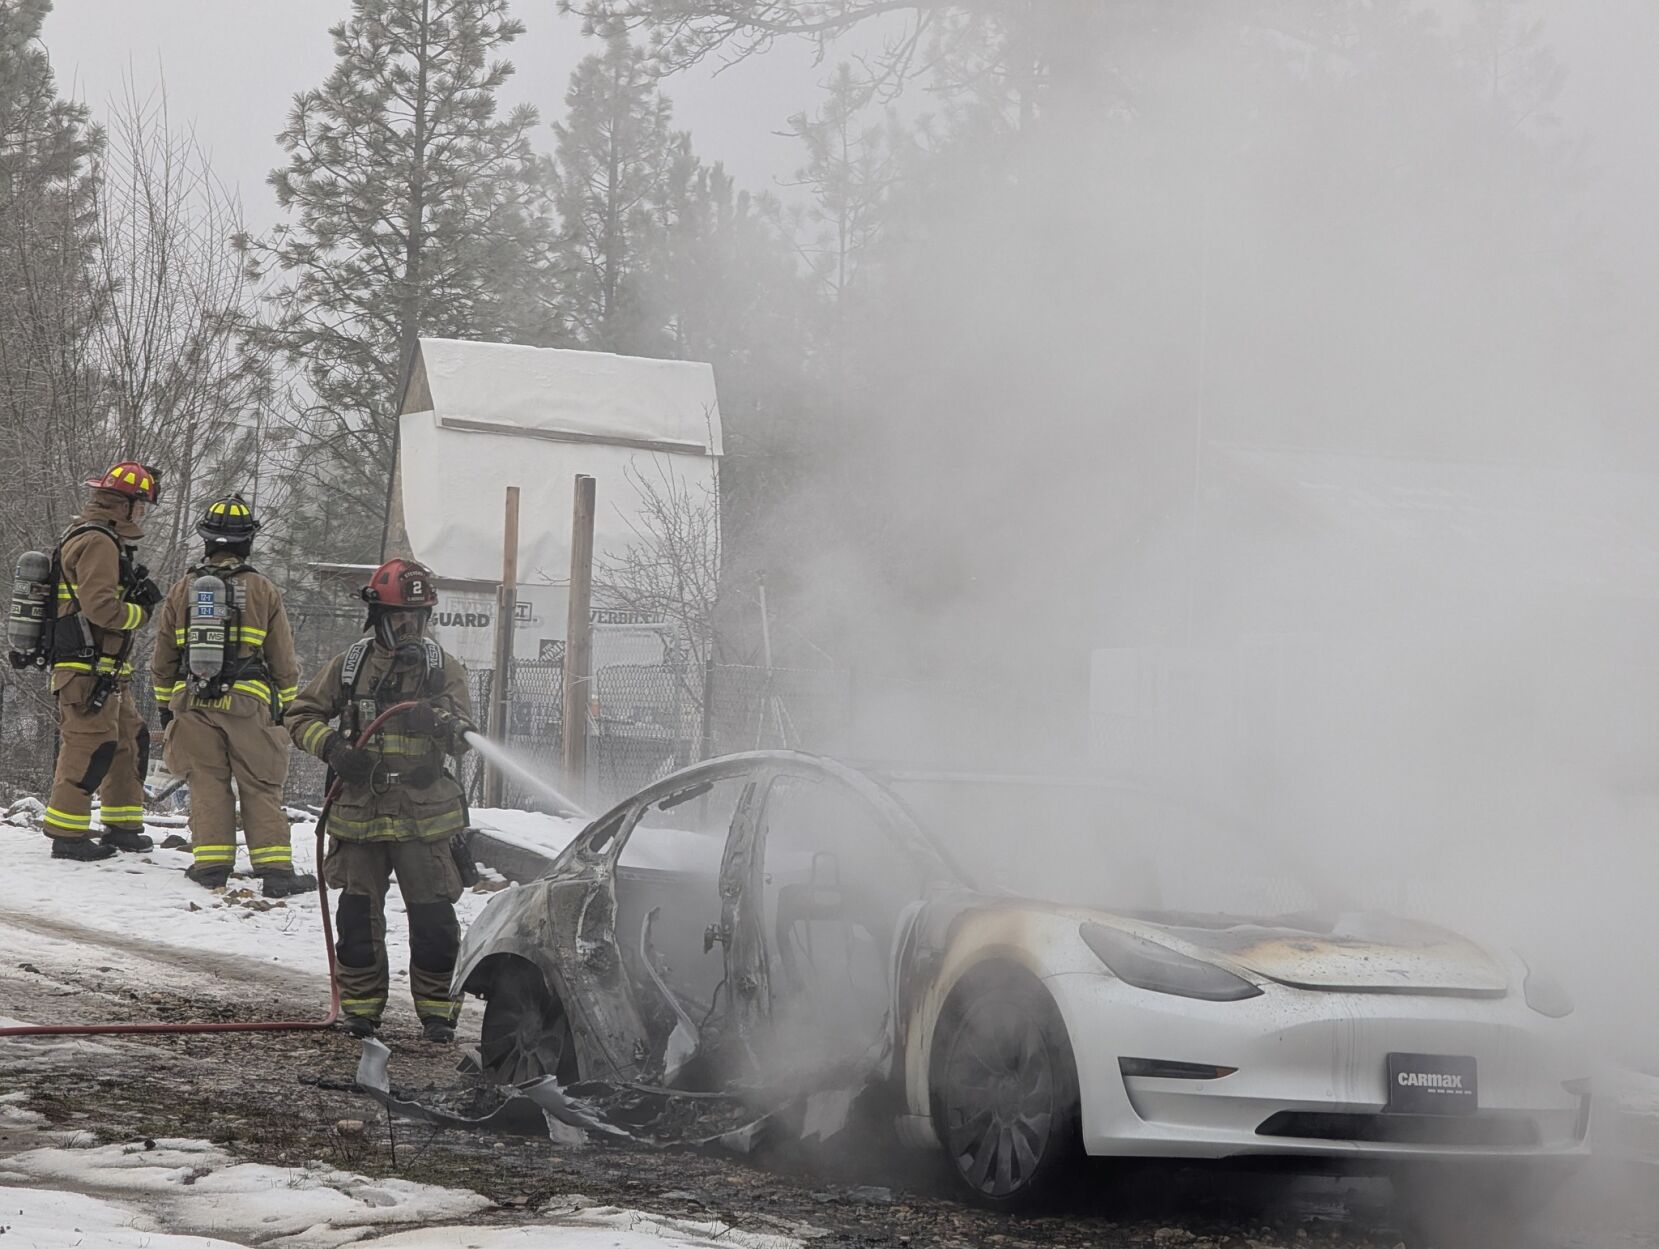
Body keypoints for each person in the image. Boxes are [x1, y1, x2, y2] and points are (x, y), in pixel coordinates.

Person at [285, 558, 475, 1042]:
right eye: (398, 618)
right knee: (356, 919)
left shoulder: (444, 669)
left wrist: (439, 723)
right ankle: (362, 1012)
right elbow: (299, 714)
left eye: (417, 618)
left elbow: (465, 738)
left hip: (424, 819)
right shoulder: (350, 666)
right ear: (378, 617)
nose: (409, 628)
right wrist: (332, 748)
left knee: (434, 921)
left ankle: (436, 1015)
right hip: (359, 814)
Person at [150, 493, 312, 897]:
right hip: (248, 705)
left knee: (206, 782)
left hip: (193, 704)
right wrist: (286, 707)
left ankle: (211, 865)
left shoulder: (182, 589)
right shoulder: (262, 589)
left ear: (206, 539)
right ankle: (275, 871)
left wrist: (165, 709)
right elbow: (283, 659)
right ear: (247, 541)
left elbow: (164, 658)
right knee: (260, 783)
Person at [43, 462, 164, 861]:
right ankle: (67, 834)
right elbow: (100, 608)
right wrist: (140, 612)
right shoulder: (98, 541)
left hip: (108, 671)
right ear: (125, 505)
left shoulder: (103, 537)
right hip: (85, 669)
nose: (143, 513)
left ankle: (123, 825)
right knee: (89, 745)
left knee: (129, 741)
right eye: (141, 505)